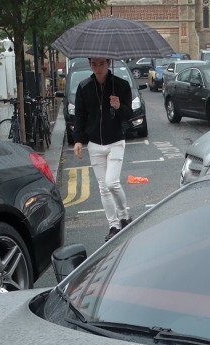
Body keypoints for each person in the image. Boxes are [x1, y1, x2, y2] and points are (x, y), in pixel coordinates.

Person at [72, 57, 134, 241]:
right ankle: (113, 225)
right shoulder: (84, 87)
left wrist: (119, 106)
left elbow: (129, 113)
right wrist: (78, 140)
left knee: (111, 183)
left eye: (101, 64)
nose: (97, 68)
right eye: (94, 64)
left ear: (108, 63)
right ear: (90, 64)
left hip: (115, 141)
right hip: (94, 144)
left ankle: (124, 216)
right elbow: (80, 116)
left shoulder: (121, 85)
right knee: (103, 188)